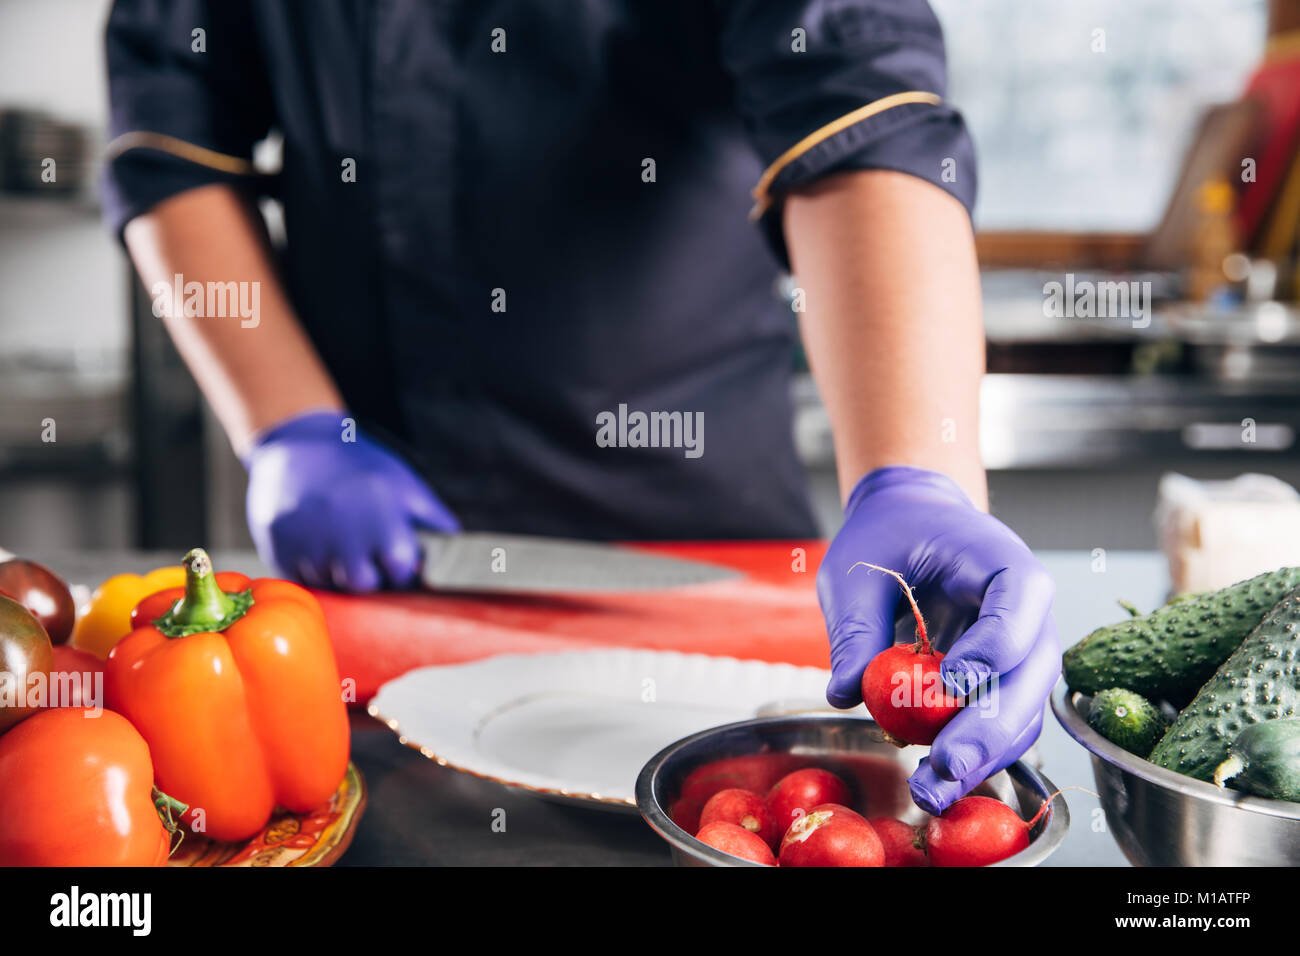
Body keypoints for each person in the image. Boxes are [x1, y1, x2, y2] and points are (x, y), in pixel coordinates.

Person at [103, 0, 1059, 813]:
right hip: (370, 551)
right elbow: (170, 142)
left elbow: (862, 104)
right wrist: (285, 423)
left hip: (701, 523)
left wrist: (916, 471)